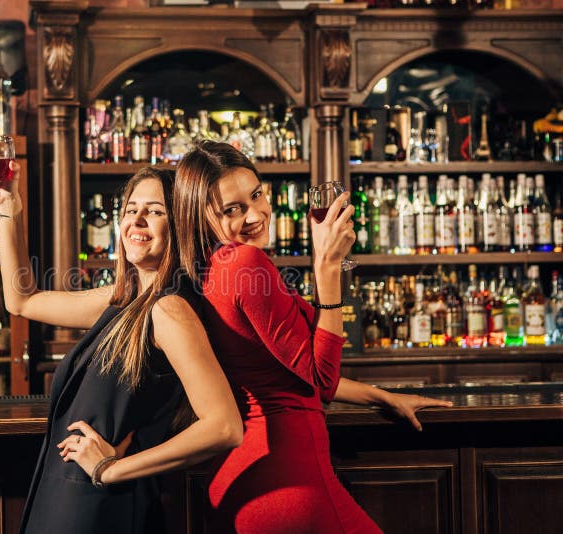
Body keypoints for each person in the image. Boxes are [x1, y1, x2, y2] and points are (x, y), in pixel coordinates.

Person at [172, 141, 452, 534]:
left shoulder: (209, 268)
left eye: (257, 195)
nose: (256, 215)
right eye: (233, 210)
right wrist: (328, 268)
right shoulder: (246, 264)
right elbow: (318, 379)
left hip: (244, 478)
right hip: (288, 479)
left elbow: (288, 370)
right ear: (200, 215)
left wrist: (379, 397)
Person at [0, 157, 243, 534]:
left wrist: (112, 468)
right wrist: (7, 205)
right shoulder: (124, 300)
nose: (137, 220)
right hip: (64, 498)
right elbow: (21, 301)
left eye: (155, 211)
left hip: (102, 508)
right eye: (131, 209)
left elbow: (225, 426)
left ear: (180, 226)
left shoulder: (169, 310)